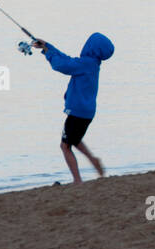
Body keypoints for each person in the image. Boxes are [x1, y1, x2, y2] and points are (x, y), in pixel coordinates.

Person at [31, 33, 115, 183]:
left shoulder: (85, 64)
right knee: (75, 139)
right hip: (86, 113)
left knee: (65, 146)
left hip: (77, 113)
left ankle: (77, 180)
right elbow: (68, 60)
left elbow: (61, 65)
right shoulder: (91, 64)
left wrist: (48, 53)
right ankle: (93, 160)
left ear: (91, 47)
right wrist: (47, 47)